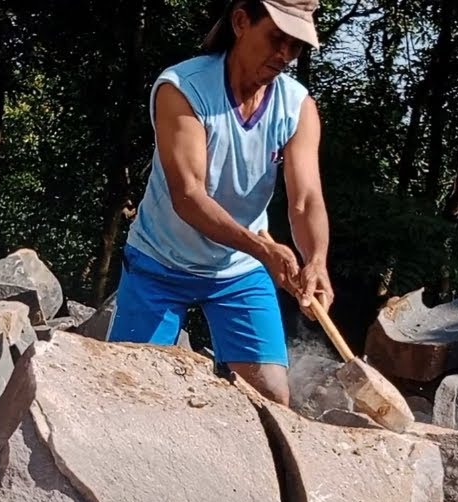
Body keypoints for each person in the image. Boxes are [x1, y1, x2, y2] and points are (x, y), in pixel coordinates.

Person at [107, 0, 333, 406]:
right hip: (159, 261)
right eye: (276, 38)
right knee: (133, 393)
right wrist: (263, 249)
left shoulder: (297, 106)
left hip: (238, 272)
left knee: (271, 398)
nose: (285, 54)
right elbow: (190, 196)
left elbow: (305, 199)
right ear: (241, 22)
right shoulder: (183, 88)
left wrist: (315, 260)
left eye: (296, 46)